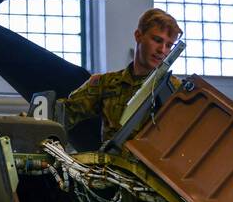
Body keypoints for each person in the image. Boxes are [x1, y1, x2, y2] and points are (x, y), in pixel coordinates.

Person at [61, 8, 183, 144]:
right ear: (138, 35)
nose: (162, 50)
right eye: (157, 40)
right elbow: (64, 114)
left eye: (169, 45)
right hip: (109, 164)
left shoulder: (176, 89)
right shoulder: (105, 83)